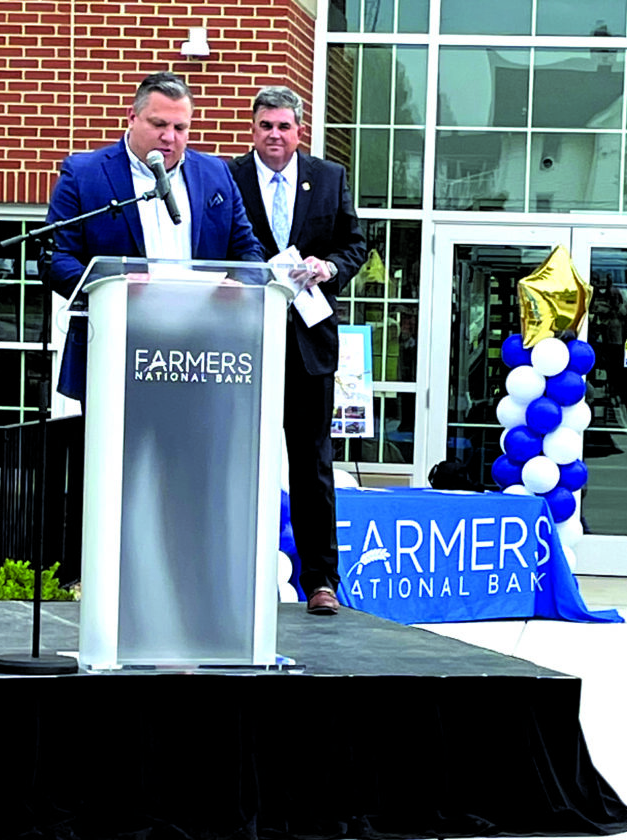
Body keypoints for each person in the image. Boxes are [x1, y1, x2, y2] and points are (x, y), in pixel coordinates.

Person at [229, 86, 366, 616]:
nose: (274, 135)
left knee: (312, 467)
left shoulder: (329, 179)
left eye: (284, 126)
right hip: (243, 343)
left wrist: (330, 269)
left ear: (298, 129)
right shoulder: (229, 178)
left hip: (309, 345)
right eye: (265, 125)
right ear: (253, 127)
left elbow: (354, 242)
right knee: (238, 461)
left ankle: (321, 581)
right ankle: (236, 573)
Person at [45, 71, 263, 402]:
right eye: (159, 125)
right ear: (132, 117)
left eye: (180, 128)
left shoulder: (216, 173)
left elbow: (248, 250)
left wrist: (241, 285)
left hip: (201, 352)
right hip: (116, 347)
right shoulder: (85, 174)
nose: (170, 138)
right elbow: (56, 258)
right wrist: (113, 287)